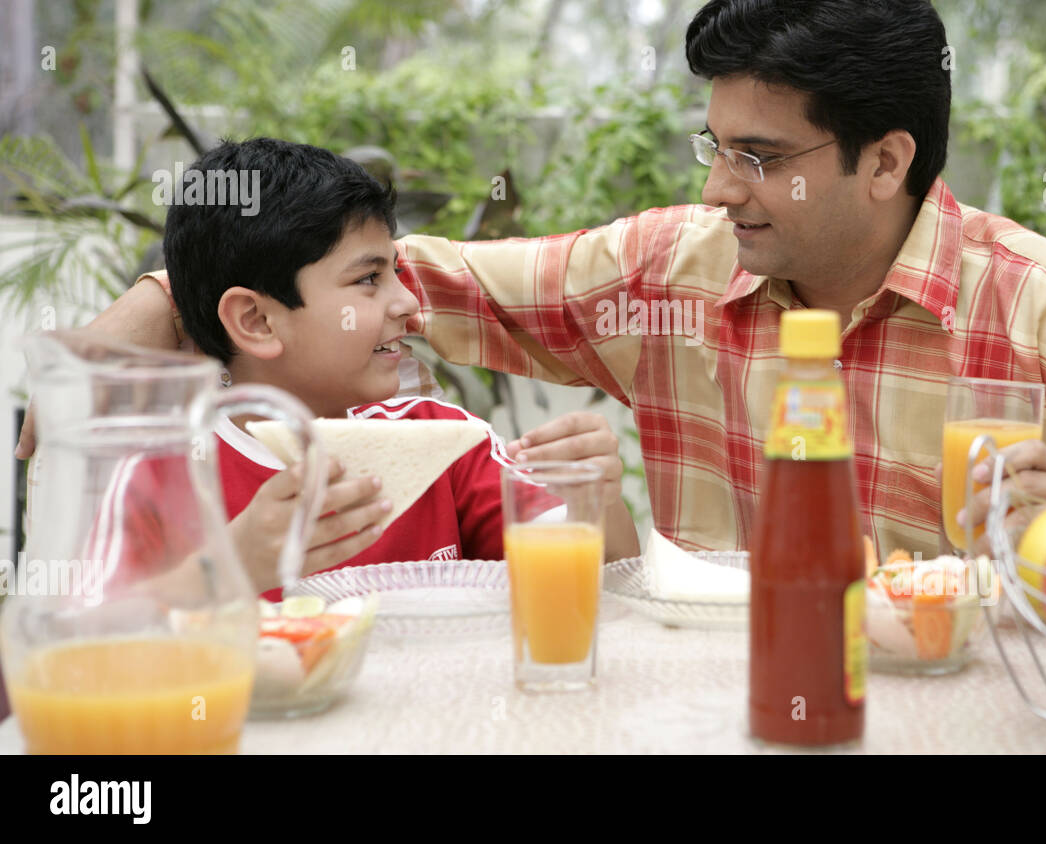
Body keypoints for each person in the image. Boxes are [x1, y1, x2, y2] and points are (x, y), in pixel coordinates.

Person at [25, 0, 1046, 557]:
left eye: (758, 156)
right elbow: (373, 280)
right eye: (713, 143)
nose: (715, 186)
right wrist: (161, 300)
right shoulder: (667, 279)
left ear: (886, 159)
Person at [78, 137, 639, 599]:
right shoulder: (160, 473)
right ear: (256, 321)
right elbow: (81, 664)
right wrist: (231, 567)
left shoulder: (443, 440)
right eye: (368, 280)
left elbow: (601, 586)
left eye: (396, 272)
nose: (409, 305)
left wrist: (597, 497)